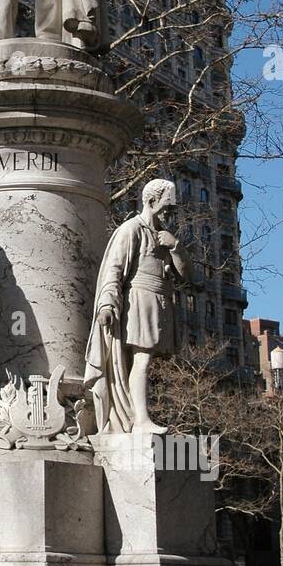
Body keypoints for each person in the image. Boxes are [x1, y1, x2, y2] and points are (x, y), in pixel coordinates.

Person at [84, 179, 190, 433]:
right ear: (151, 202)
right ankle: (140, 420)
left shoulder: (165, 235)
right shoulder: (131, 229)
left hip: (159, 302)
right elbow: (113, 269)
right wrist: (107, 304)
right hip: (139, 301)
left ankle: (138, 416)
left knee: (144, 362)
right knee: (141, 361)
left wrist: (175, 247)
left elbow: (187, 276)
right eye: (166, 205)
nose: (169, 212)